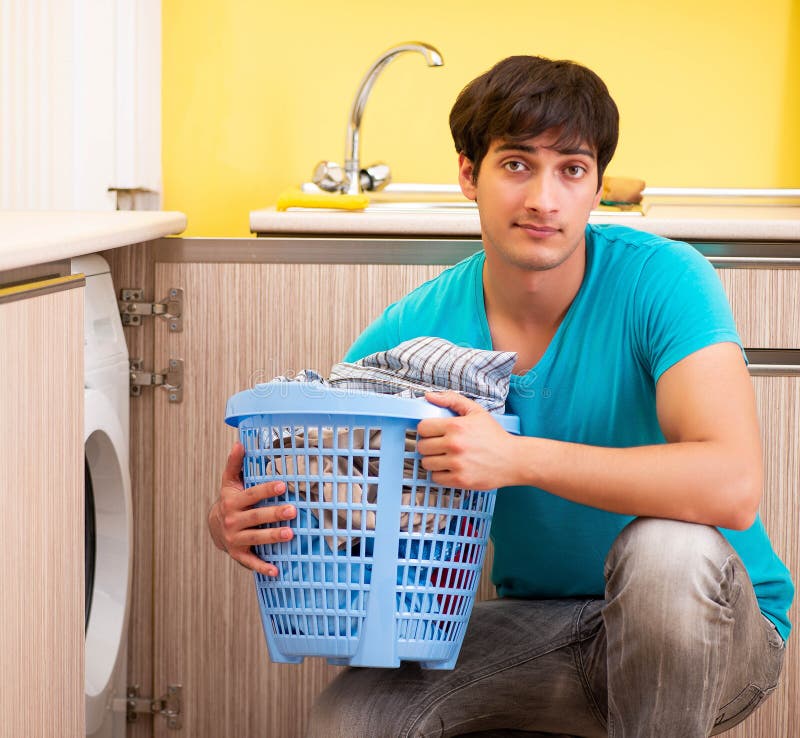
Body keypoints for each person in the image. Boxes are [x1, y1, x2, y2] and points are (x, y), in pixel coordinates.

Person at [208, 55, 793, 737]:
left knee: (667, 553)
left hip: (713, 631)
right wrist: (234, 521)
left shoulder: (663, 281)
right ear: (468, 174)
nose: (544, 198)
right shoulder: (420, 329)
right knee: (351, 719)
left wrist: (515, 457)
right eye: (517, 164)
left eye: (571, 170)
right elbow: (335, 477)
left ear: (597, 186)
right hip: (547, 626)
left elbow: (731, 484)